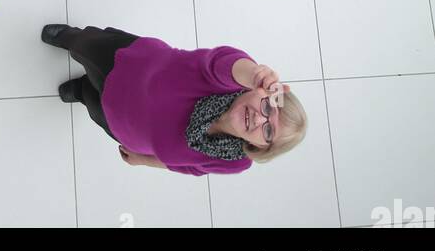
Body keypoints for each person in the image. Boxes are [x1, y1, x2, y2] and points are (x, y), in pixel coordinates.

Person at [41, 25, 306, 174]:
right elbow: (226, 63)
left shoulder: (234, 161)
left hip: (121, 125)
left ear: (261, 147)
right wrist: (256, 74)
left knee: (92, 101)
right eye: (268, 106)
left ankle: (82, 91)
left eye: (268, 130)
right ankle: (69, 37)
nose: (259, 118)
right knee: (85, 44)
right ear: (259, 90)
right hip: (124, 65)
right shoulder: (227, 80)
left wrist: (144, 159)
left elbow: (190, 168)